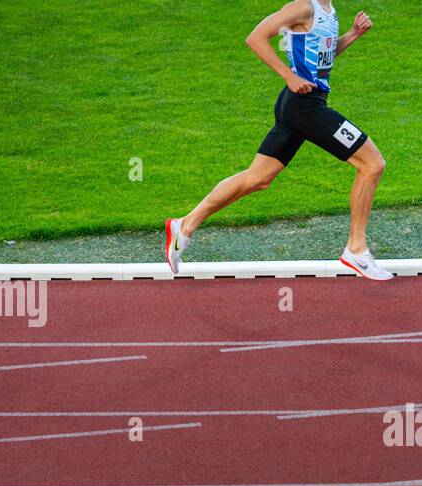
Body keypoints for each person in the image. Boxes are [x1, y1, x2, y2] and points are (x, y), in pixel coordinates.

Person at [165, 1, 392, 280]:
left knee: (258, 177)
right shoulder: (302, 8)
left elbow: (322, 58)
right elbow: (255, 37)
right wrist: (288, 76)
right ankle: (356, 249)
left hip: (299, 104)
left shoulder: (328, 11)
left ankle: (185, 224)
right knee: (372, 164)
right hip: (305, 108)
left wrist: (352, 35)